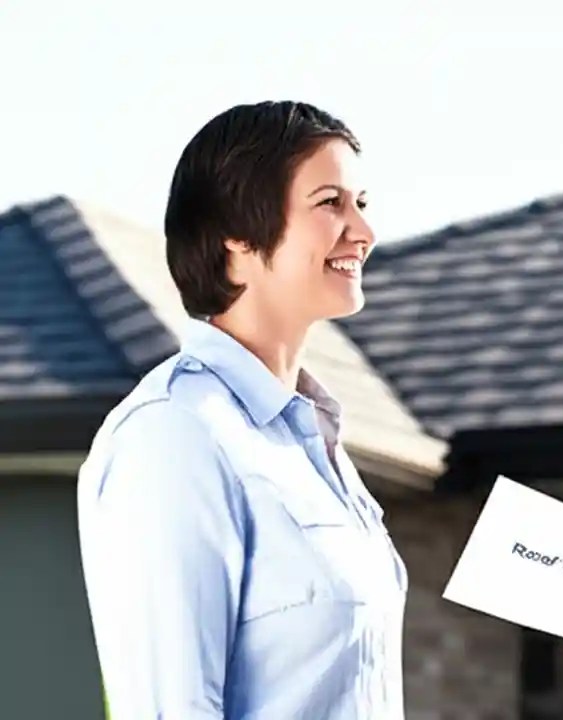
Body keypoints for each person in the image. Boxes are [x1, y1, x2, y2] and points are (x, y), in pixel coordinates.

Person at [76, 101, 408, 719]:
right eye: (330, 203)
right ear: (237, 232)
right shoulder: (176, 434)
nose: (363, 231)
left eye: (361, 203)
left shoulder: (309, 441)